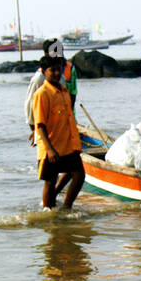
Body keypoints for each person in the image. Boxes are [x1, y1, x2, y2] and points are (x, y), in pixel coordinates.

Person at [32, 55, 84, 210]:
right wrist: (49, 149)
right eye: (52, 70)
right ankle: (48, 212)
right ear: (44, 71)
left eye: (58, 69)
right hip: (51, 145)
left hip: (68, 144)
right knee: (50, 181)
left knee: (79, 174)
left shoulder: (64, 91)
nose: (56, 73)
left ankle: (67, 207)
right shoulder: (42, 94)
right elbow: (40, 124)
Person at [25, 39, 78, 143]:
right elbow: (30, 108)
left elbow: (71, 97)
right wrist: (34, 130)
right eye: (55, 52)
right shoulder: (38, 79)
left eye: (60, 52)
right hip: (47, 131)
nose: (59, 55)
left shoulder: (62, 77)